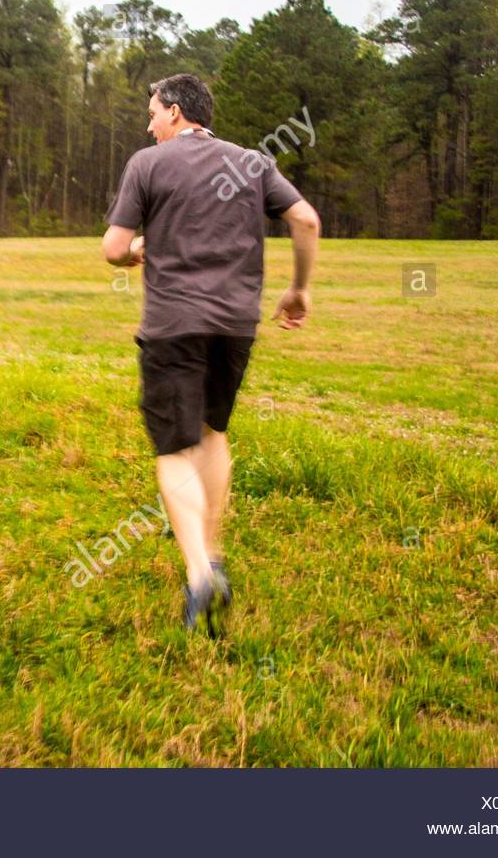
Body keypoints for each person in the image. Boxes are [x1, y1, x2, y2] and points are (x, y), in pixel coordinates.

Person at [102, 74, 321, 636]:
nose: (148, 123)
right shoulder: (252, 162)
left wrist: (137, 253)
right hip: (235, 325)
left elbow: (113, 249)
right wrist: (299, 288)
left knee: (174, 447)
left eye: (152, 112)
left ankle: (199, 574)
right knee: (212, 432)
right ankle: (214, 553)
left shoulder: (147, 165)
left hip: (173, 326)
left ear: (175, 113)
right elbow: (306, 219)